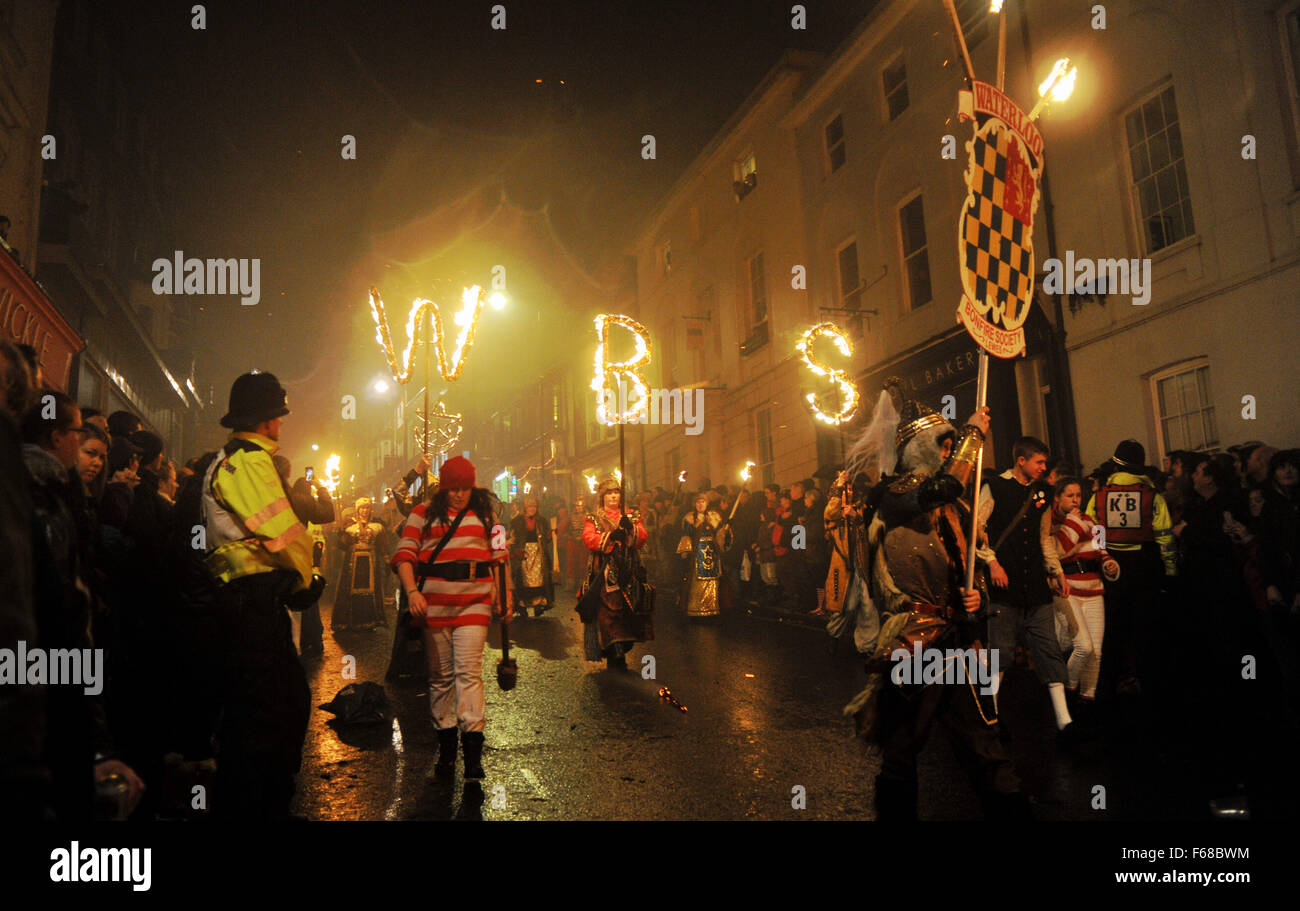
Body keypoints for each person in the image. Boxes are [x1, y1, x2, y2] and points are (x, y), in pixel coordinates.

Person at [847, 391, 1026, 820]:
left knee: (986, 749)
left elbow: (967, 563)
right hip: (915, 643)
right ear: (916, 448)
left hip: (959, 642)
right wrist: (972, 435)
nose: (948, 451)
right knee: (903, 750)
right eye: (941, 443)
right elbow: (944, 484)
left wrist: (977, 594)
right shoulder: (892, 495)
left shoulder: (954, 504)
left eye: (951, 445)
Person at [199, 372, 323, 819]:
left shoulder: (231, 458)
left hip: (243, 601)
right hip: (252, 604)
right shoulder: (250, 461)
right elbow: (282, 533)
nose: (283, 424)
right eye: (279, 415)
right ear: (268, 419)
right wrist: (307, 579)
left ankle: (254, 800)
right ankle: (262, 806)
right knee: (273, 710)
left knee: (264, 707)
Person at [22, 391, 145, 820]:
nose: (89, 452)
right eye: (81, 437)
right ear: (58, 437)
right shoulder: (47, 498)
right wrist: (95, 745)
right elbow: (66, 621)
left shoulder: (53, 493)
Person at [391, 456, 509, 781]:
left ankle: (472, 757)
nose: (458, 494)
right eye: (452, 488)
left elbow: (500, 557)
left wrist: (504, 596)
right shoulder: (421, 513)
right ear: (443, 488)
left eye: (464, 488)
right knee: (440, 677)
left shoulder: (489, 515)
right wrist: (412, 592)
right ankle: (446, 751)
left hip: (475, 604)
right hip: (433, 606)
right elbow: (404, 554)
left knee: (468, 674)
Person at [978, 436, 1074, 736]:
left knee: (1048, 649)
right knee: (1001, 652)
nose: (1044, 468)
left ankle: (1064, 719)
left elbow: (1044, 536)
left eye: (1045, 463)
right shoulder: (994, 488)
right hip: (1003, 585)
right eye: (1039, 462)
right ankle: (989, 716)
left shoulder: (1044, 492)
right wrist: (992, 562)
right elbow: (976, 531)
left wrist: (1056, 571)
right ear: (1022, 460)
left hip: (1034, 583)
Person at [1085, 439, 1176, 699]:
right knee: (1145, 631)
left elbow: (1092, 532)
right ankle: (1151, 689)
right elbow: (1165, 537)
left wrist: (1101, 560)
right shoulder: (1153, 496)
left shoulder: (1098, 495)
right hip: (1145, 568)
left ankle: (1107, 689)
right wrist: (1170, 571)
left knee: (1112, 631)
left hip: (1110, 569)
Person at [1046, 478, 1120, 707]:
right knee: (1083, 647)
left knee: (1096, 651)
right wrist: (1074, 523)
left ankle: (1087, 699)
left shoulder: (1092, 522)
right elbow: (1059, 551)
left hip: (1094, 587)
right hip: (1067, 588)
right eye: (1070, 495)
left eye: (1078, 495)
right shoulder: (1052, 523)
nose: (1076, 500)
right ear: (1058, 498)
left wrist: (1110, 564)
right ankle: (1065, 692)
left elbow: (1102, 551)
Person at [578, 476, 652, 670]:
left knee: (629, 610)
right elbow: (588, 538)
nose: (613, 496)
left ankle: (622, 646)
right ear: (602, 497)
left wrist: (631, 528)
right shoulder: (593, 517)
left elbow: (642, 538)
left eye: (616, 492)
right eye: (609, 493)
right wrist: (610, 536)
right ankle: (613, 647)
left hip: (629, 570)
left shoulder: (632, 516)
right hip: (604, 571)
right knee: (609, 610)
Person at [335, 497, 391, 631]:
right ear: (357, 509)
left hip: (371, 563)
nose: (365, 511)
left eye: (367, 508)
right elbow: (342, 546)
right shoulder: (350, 527)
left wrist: (387, 559)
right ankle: (349, 621)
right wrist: (341, 533)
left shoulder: (377, 527)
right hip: (353, 563)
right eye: (362, 508)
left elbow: (382, 545)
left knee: (371, 591)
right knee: (350, 590)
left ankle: (369, 620)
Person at [679, 491, 731, 618]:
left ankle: (712, 609)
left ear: (707, 503)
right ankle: (696, 609)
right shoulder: (690, 518)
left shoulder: (714, 516)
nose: (700, 504)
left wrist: (725, 532)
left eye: (703, 502)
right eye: (698, 502)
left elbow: (720, 534)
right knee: (696, 580)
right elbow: (686, 535)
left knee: (712, 579)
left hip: (712, 553)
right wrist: (686, 551)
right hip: (697, 553)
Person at [508, 495, 556, 616]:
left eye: (534, 506)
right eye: (530, 506)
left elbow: (545, 538)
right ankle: (522, 604)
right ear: (525, 507)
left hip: (538, 553)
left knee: (539, 578)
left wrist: (550, 536)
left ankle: (538, 604)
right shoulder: (517, 521)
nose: (532, 509)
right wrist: (516, 551)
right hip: (524, 554)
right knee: (523, 578)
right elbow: (512, 538)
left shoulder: (542, 521)